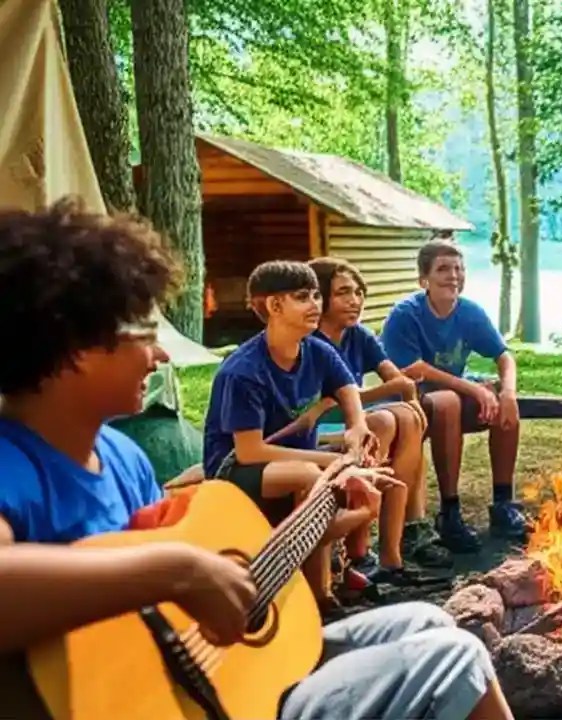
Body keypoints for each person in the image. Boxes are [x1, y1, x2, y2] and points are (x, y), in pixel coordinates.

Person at [0, 200, 513, 720]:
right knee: (456, 659)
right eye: (140, 335)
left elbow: (195, 582)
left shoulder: (122, 457)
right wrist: (175, 571)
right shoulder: (12, 463)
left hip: (207, 678)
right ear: (73, 347)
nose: (160, 356)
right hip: (137, 706)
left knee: (424, 624)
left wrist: (335, 516)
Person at [202, 260, 398, 606]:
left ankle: (335, 577)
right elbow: (250, 453)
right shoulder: (244, 371)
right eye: (302, 297)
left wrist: (357, 428)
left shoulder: (316, 350)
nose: (315, 305)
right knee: (312, 474)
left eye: (316, 296)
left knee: (358, 461)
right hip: (233, 469)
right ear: (275, 306)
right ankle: (320, 591)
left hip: (289, 459)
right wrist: (333, 462)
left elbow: (348, 389)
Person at [303, 256, 447, 578]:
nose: (355, 301)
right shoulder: (310, 342)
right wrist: (368, 396)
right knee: (383, 421)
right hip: (316, 429)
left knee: (405, 418)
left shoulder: (360, 336)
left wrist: (408, 401)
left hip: (356, 422)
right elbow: (320, 407)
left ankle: (391, 557)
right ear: (321, 297)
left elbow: (400, 381)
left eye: (358, 292)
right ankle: (359, 550)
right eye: (343, 293)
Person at [381, 239, 526, 553]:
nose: (453, 276)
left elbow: (504, 355)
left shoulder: (470, 312)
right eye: (443, 269)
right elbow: (414, 370)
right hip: (409, 402)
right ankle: (450, 512)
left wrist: (509, 393)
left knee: (501, 396)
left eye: (459, 268)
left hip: (453, 393)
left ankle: (503, 503)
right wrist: (473, 388)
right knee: (447, 401)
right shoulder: (405, 315)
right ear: (424, 280)